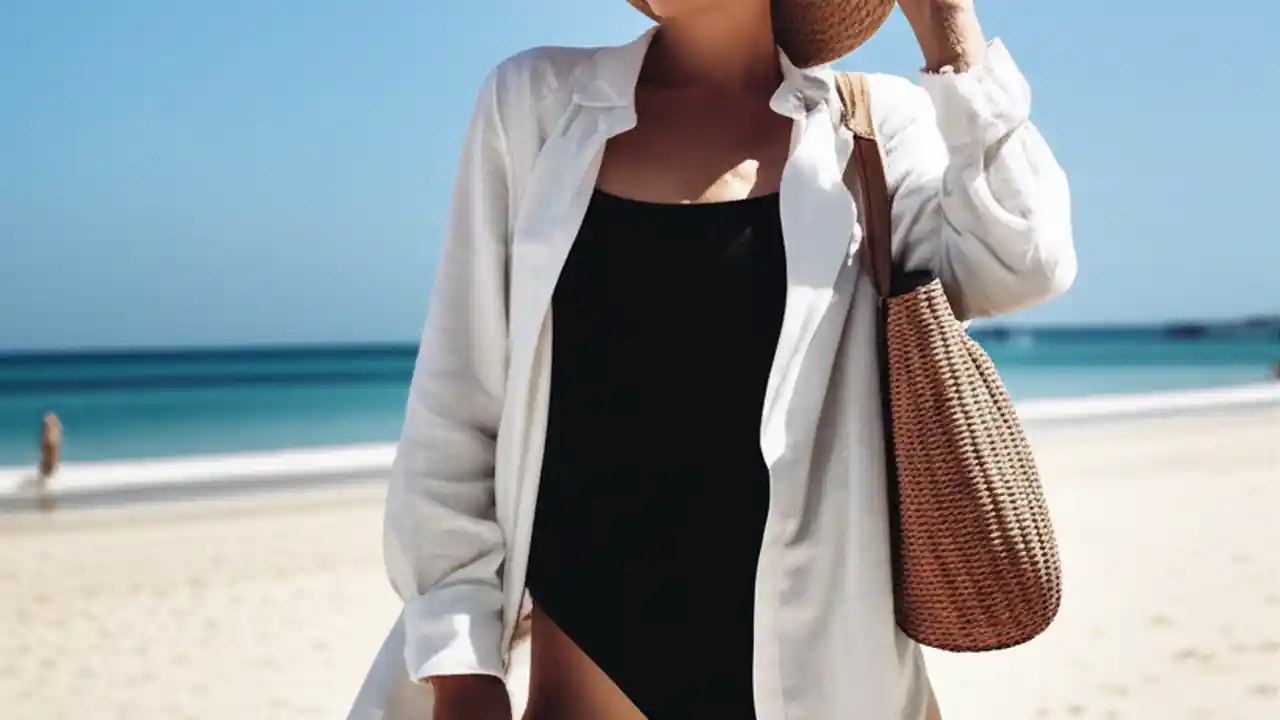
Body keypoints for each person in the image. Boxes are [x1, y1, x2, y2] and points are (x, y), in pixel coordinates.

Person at [348, 1, 1076, 719]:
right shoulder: (536, 104)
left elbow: (1024, 259)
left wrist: (947, 28)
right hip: (589, 697)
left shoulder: (867, 128)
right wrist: (461, 667)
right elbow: (460, 397)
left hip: (829, 688)